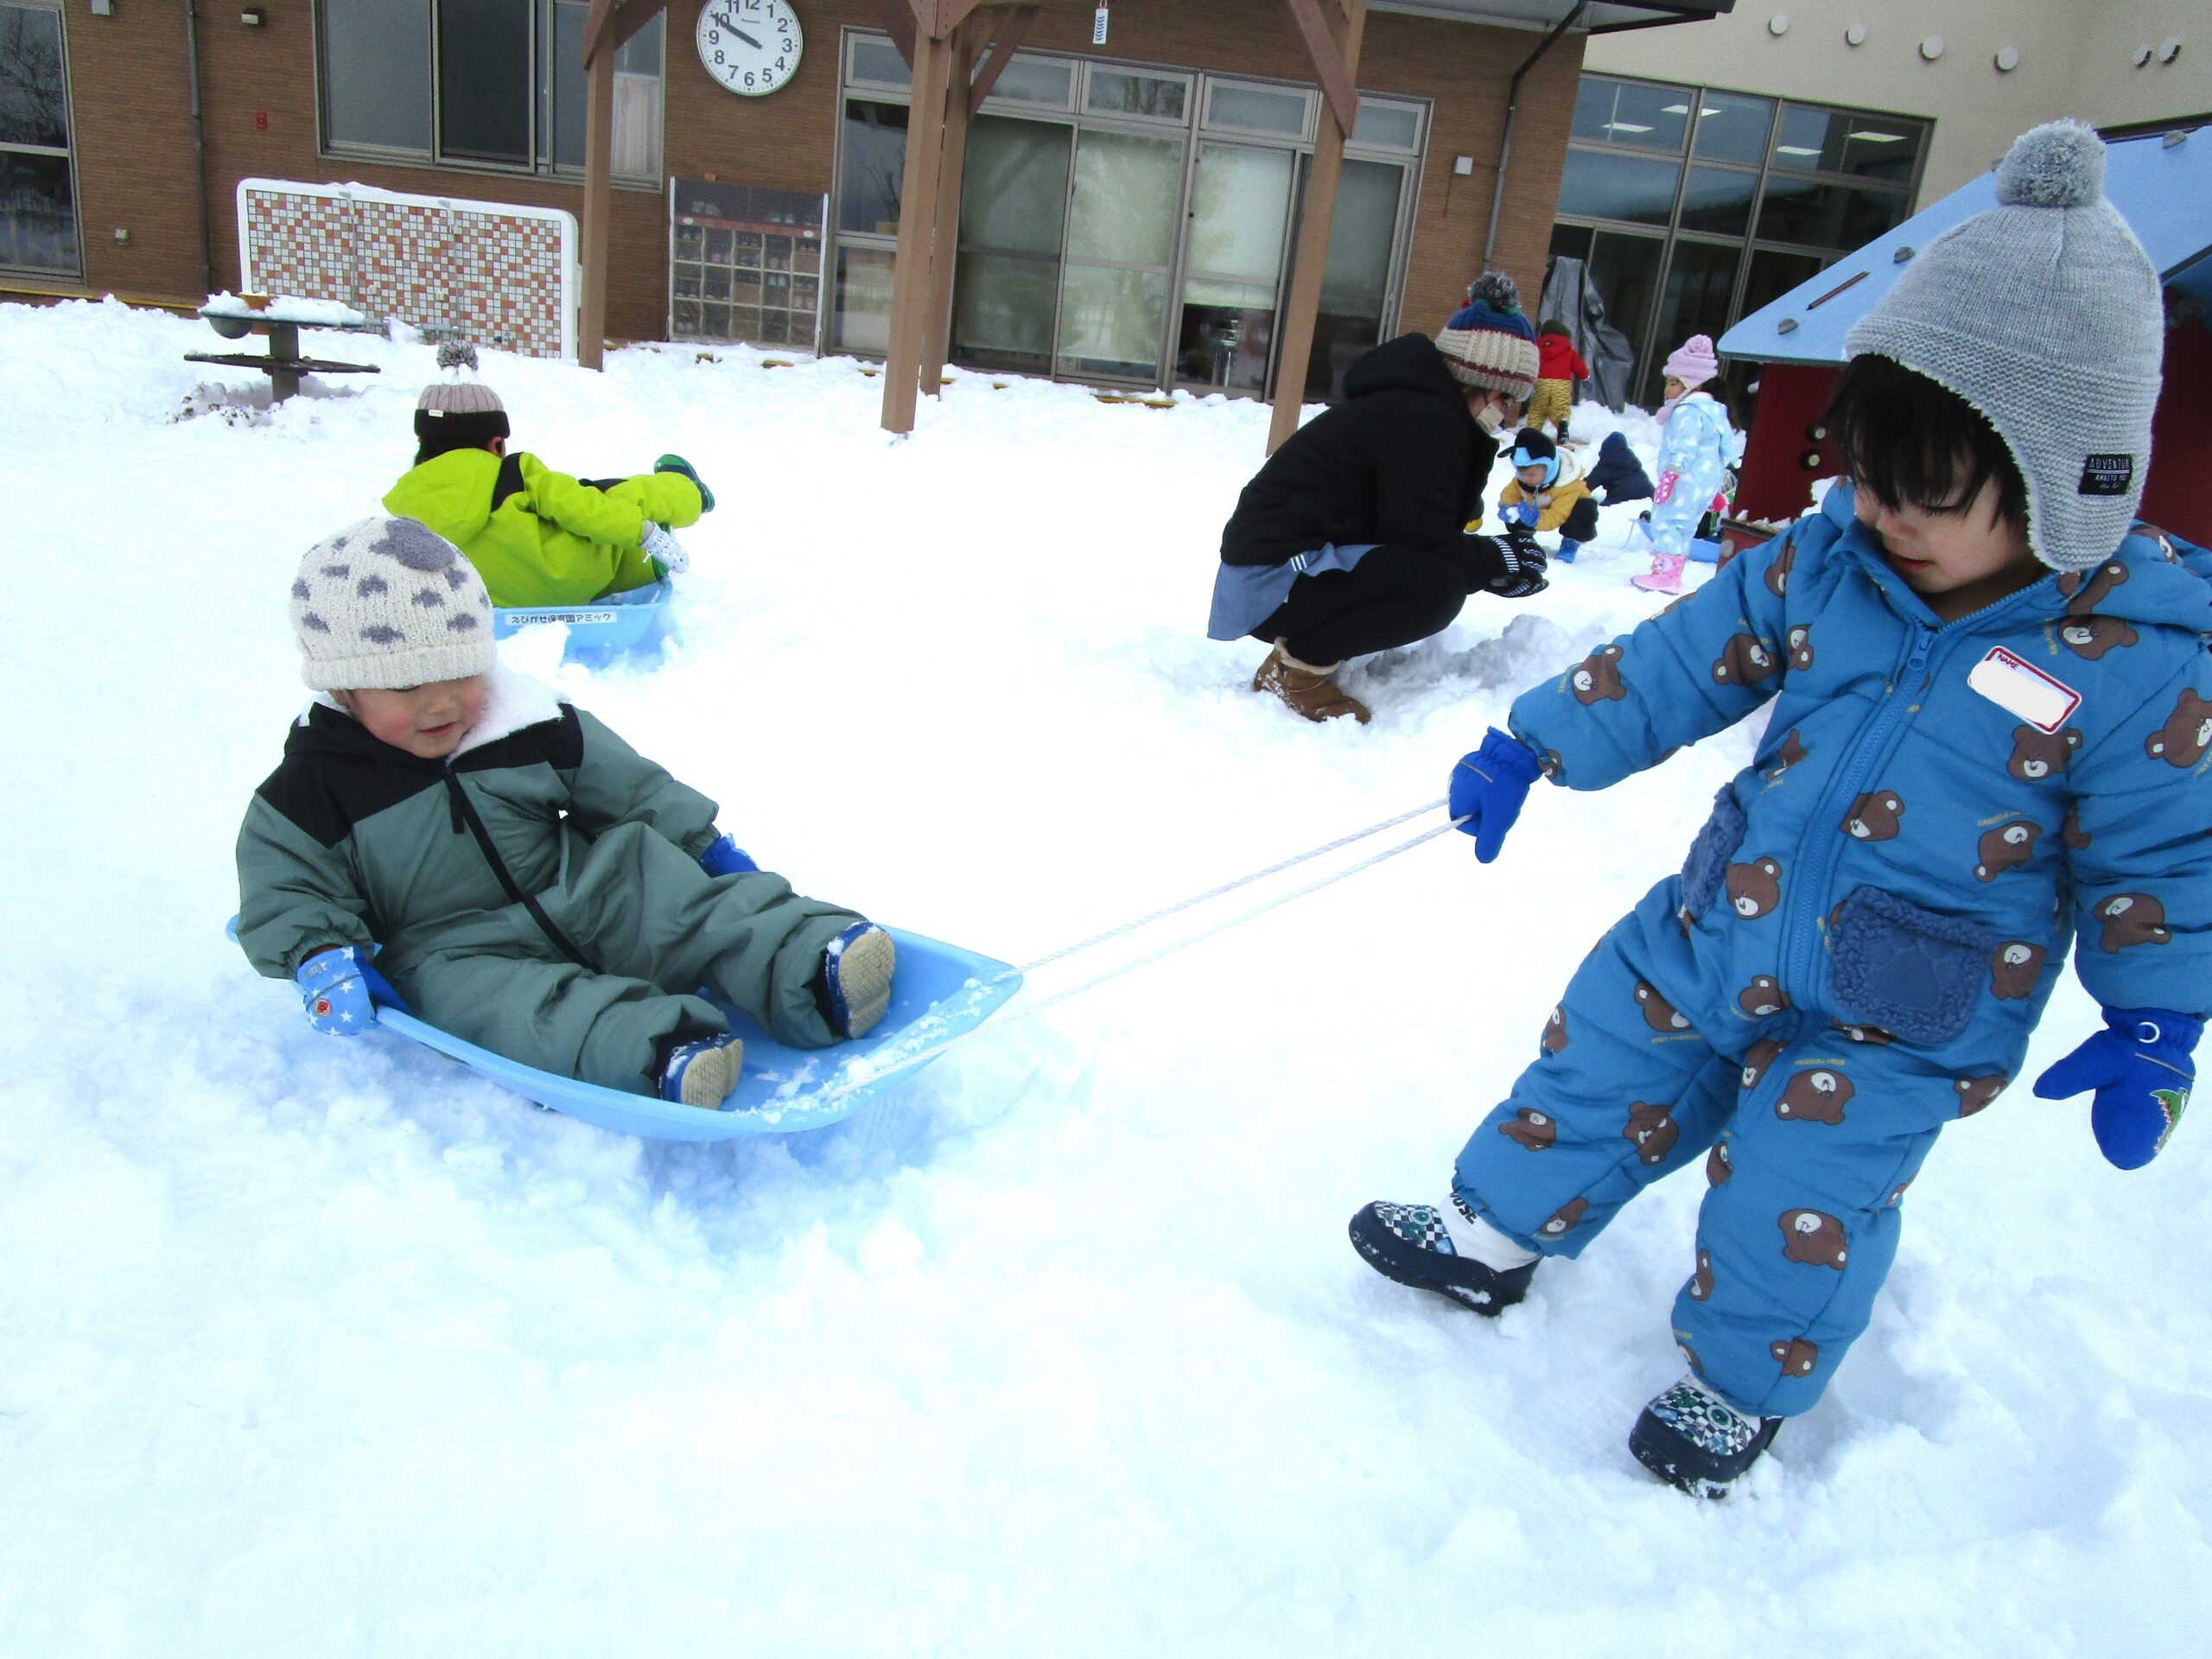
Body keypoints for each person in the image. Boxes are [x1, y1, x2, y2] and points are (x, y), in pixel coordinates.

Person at [1347, 123, 2209, 1497]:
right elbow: (1684, 662)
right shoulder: (1829, 561)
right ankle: (1492, 1232)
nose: (1883, 515)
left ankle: (1737, 1387)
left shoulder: (2139, 664)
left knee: (1795, 1194)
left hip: (1906, 1008)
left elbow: (2162, 856)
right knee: (1600, 1061)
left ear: (2068, 483)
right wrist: (1538, 741)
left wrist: (2157, 1019)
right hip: (1723, 914)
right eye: (1868, 476)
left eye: (1925, 494)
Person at [236, 515, 896, 1109]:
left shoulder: (525, 721)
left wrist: (700, 845)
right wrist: (319, 954)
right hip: (459, 946)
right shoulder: (310, 791)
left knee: (657, 880)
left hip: (583, 891)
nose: (443, 706)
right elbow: (287, 888)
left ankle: (809, 964)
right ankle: (657, 1049)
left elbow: (632, 789)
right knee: (501, 1008)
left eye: (461, 674)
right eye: (409, 686)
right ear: (341, 686)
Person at [1209, 309, 1548, 724]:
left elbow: (1418, 526)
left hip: (1278, 571)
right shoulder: (1423, 421)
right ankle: (1296, 672)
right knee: (1434, 589)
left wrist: (1486, 559)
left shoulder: (1417, 410)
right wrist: (1497, 559)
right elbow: (1420, 539)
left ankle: (1294, 660)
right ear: (1476, 384)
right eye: (1505, 399)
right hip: (1269, 581)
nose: (1505, 413)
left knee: (1433, 574)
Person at [384, 343, 710, 608]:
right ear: (496, 443)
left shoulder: (405, 509)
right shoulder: (515, 473)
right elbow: (585, 510)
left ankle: (644, 565)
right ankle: (686, 491)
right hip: (571, 581)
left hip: (493, 606)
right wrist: (644, 532)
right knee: (610, 498)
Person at [1627, 336, 1740, 596]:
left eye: (1673, 382)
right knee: (1685, 528)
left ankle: (1664, 574)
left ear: (1691, 383)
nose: (1666, 389)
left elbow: (1684, 447)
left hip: (1684, 480)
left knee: (1668, 523)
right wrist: (1715, 489)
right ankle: (1673, 573)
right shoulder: (1715, 410)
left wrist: (1670, 475)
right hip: (1703, 481)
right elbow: (1724, 451)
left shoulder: (1688, 411)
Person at [1496, 429, 1599, 563]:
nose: (1526, 479)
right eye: (1521, 473)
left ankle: (1570, 544)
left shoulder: (1568, 484)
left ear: (1549, 468)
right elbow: (1510, 494)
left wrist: (1536, 519)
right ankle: (1524, 538)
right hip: (1539, 508)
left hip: (1568, 512)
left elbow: (1558, 515)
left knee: (1585, 509)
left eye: (1531, 475)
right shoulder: (1524, 479)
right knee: (1517, 510)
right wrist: (1507, 506)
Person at [1526, 318, 1590, 444]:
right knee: (1560, 408)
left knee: (1538, 410)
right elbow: (1580, 367)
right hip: (1561, 384)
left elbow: (1530, 364)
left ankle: (1531, 435)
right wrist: (1585, 378)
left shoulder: (1537, 349)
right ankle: (1562, 425)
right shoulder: (1569, 351)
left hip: (1542, 383)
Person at [1583, 429, 1656, 507]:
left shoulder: (1605, 464)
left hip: (1621, 496)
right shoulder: (1632, 460)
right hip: (1649, 496)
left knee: (1601, 511)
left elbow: (1586, 486)